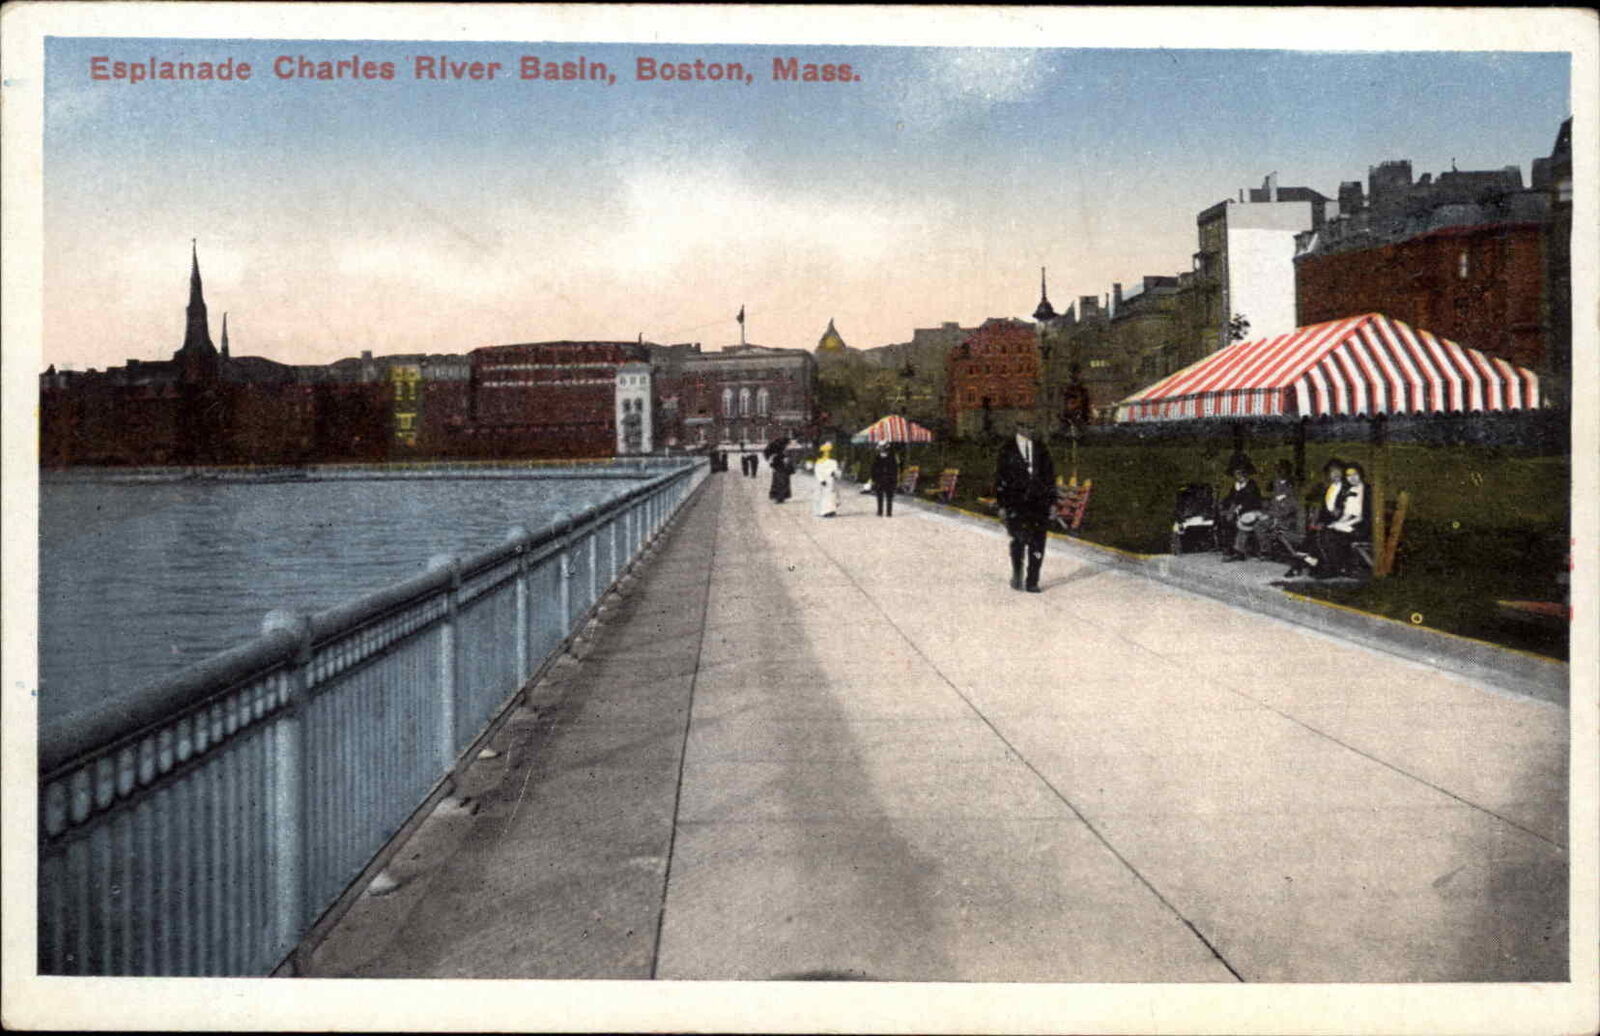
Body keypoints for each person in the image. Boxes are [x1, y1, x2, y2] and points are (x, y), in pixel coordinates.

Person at [994, 421, 1055, 592]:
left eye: (1033, 427)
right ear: (1018, 428)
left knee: (1038, 543)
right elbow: (1000, 478)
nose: (1031, 430)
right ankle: (1017, 573)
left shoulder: (1041, 449)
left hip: (1039, 504)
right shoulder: (1007, 449)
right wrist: (1002, 505)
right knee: (1018, 540)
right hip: (1016, 504)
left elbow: (1050, 477)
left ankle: (1033, 581)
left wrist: (1052, 502)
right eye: (1027, 427)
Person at [1218, 456, 1264, 560]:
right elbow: (1230, 498)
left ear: (1245, 473)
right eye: (1236, 474)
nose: (1238, 476)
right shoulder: (1236, 485)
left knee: (1235, 520)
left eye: (1240, 473)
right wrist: (1224, 504)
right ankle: (1229, 549)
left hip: (1251, 511)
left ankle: (1238, 550)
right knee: (1225, 519)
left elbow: (1251, 501)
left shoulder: (1251, 485)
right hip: (1238, 511)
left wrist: (1236, 509)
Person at [870, 442, 899, 517]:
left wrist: (895, 480)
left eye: (883, 448)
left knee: (889, 496)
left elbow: (895, 470)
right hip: (879, 479)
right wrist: (874, 479)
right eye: (881, 448)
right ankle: (880, 511)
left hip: (889, 479)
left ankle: (889, 512)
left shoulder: (892, 457)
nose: (882, 450)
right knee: (879, 496)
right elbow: (873, 469)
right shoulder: (877, 457)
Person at [812, 442, 840, 517]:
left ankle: (832, 510)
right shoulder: (819, 462)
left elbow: (836, 470)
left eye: (828, 452)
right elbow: (817, 472)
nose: (827, 454)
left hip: (832, 481)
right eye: (825, 452)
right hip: (824, 482)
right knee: (824, 497)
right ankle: (825, 511)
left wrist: (835, 473)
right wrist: (821, 480)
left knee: (832, 496)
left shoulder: (833, 461)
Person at [766, 437, 792, 503]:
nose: (787, 446)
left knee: (779, 481)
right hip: (779, 466)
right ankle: (780, 497)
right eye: (787, 444)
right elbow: (778, 457)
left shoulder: (776, 447)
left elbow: (769, 456)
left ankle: (779, 496)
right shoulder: (778, 449)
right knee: (781, 481)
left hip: (778, 466)